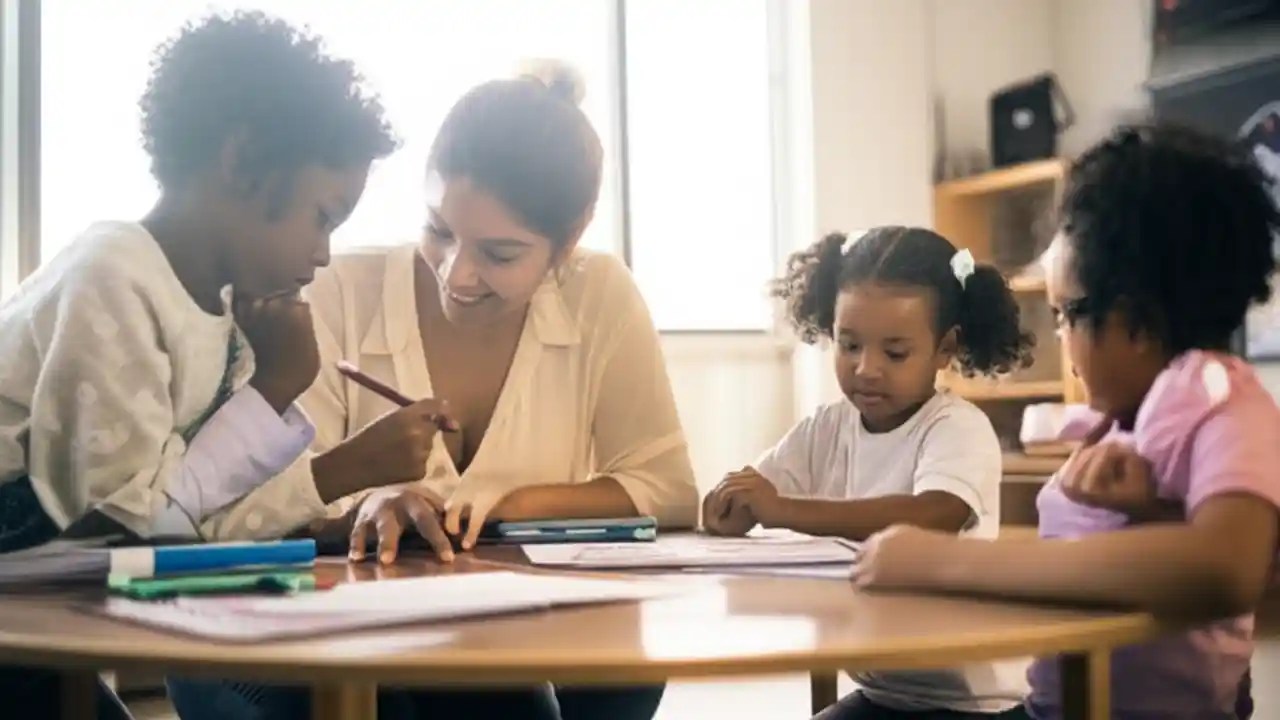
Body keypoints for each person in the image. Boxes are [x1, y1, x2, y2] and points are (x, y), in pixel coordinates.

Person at [167, 61, 695, 720]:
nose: (457, 275)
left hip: (495, 627)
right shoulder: (332, 292)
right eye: (439, 231)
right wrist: (362, 503)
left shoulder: (601, 294)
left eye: (500, 255)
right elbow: (233, 509)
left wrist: (504, 502)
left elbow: (669, 492)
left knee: (618, 673)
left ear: (573, 235)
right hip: (304, 630)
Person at [0, 9, 404, 717]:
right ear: (241, 161)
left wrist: (316, 500)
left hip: (40, 597)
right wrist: (277, 387)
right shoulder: (114, 275)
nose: (323, 254)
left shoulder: (225, 316)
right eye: (322, 215)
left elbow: (193, 520)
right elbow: (134, 530)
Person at [850, 124, 1280, 720]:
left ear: (1134, 323)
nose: (1061, 338)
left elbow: (1224, 569)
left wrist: (941, 560)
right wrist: (1151, 511)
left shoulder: (1227, 403)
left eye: (1064, 316)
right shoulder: (1130, 421)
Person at [705, 226, 1033, 718]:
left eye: (894, 352)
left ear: (945, 348)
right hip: (887, 696)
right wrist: (731, 506)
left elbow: (933, 515)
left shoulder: (957, 428)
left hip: (976, 706)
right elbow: (757, 493)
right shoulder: (827, 427)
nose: (866, 369)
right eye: (850, 344)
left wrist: (784, 510)